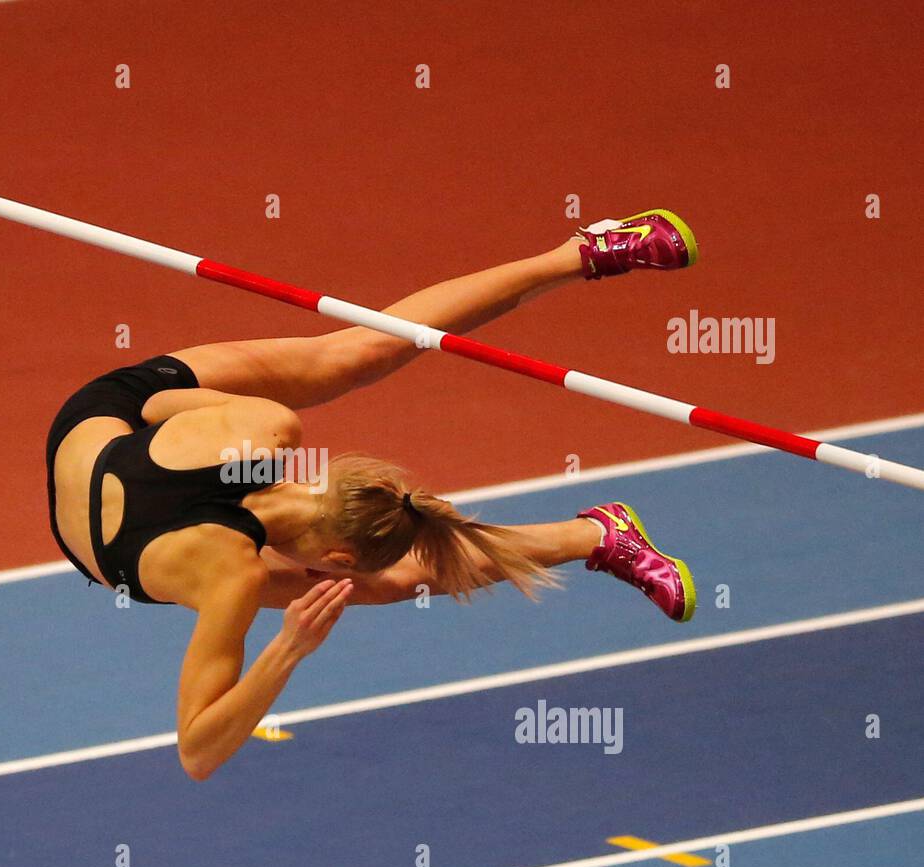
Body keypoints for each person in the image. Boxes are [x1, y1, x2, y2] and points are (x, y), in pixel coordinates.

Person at [46, 210, 698, 779]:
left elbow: (162, 409)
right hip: (116, 426)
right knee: (359, 373)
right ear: (338, 552)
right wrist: (288, 647)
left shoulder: (256, 462)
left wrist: (226, 481)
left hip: (123, 473)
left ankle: (583, 266)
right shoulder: (246, 510)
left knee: (357, 386)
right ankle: (597, 525)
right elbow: (198, 752)